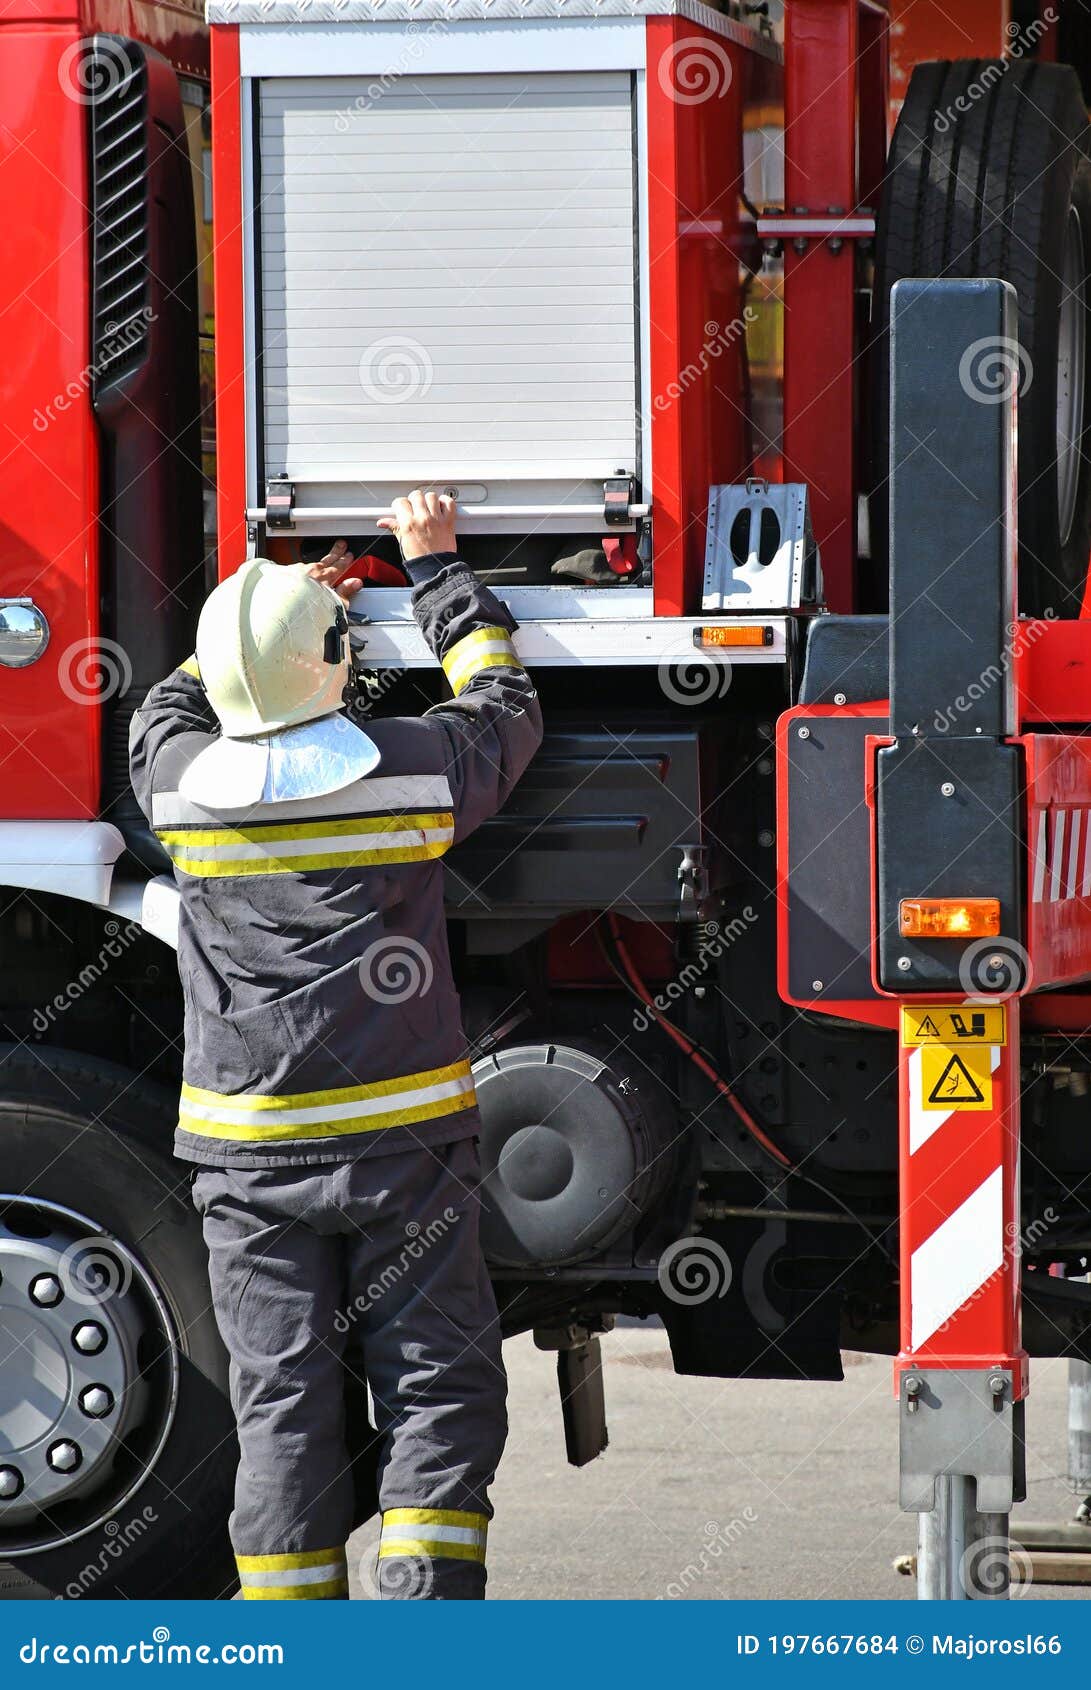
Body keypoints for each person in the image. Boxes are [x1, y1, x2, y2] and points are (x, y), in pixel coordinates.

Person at [129, 490, 543, 1600]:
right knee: (437, 1388)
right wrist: (434, 568)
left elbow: (165, 709)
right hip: (400, 1153)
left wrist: (262, 616)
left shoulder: (175, 789)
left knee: (281, 1407)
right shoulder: (409, 769)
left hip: (246, 1161)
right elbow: (505, 702)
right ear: (338, 667)